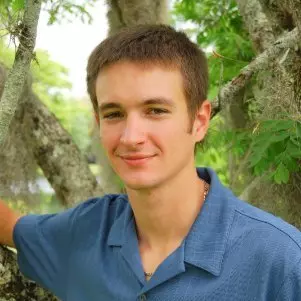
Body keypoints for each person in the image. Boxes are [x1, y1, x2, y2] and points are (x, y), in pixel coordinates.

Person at [0, 24, 300, 301]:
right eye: (114, 114)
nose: (131, 136)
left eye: (155, 110)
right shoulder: (85, 231)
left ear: (199, 121)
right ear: (98, 124)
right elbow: (11, 226)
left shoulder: (280, 259)